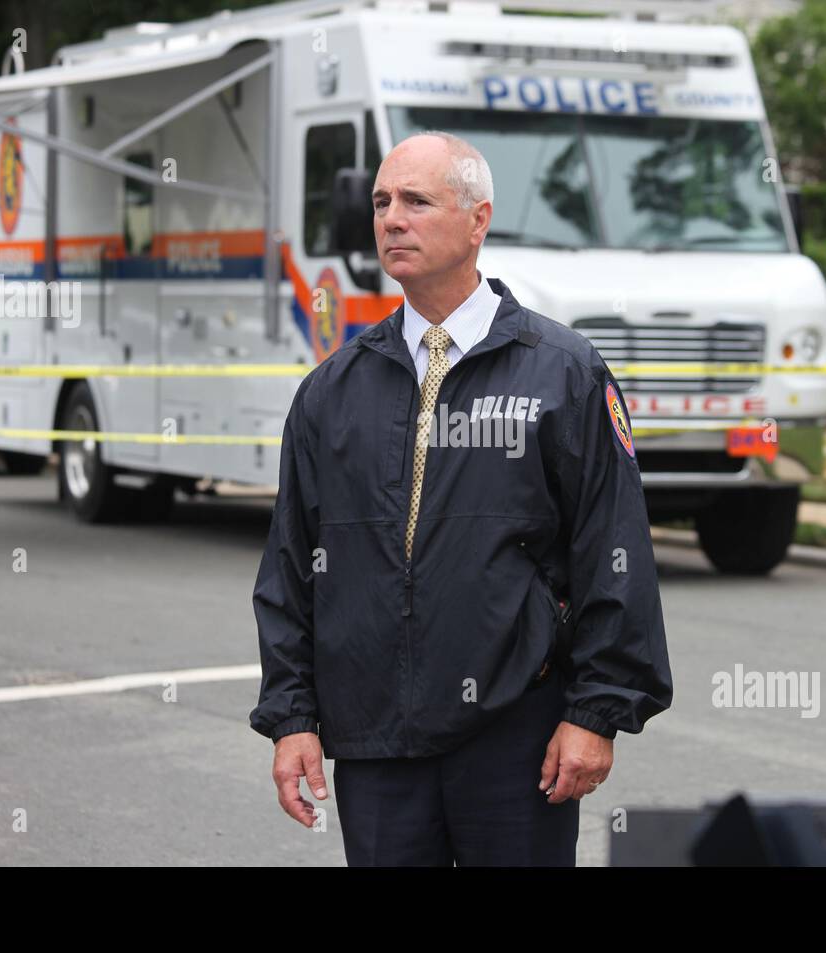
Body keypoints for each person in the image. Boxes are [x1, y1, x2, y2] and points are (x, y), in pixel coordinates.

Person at [250, 131, 673, 865]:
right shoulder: (331, 390)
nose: (390, 219)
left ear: (477, 220)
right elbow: (290, 569)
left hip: (518, 739)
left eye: (416, 200)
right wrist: (292, 718)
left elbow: (613, 548)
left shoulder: (563, 373)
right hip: (377, 741)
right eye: (382, 202)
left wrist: (598, 713)